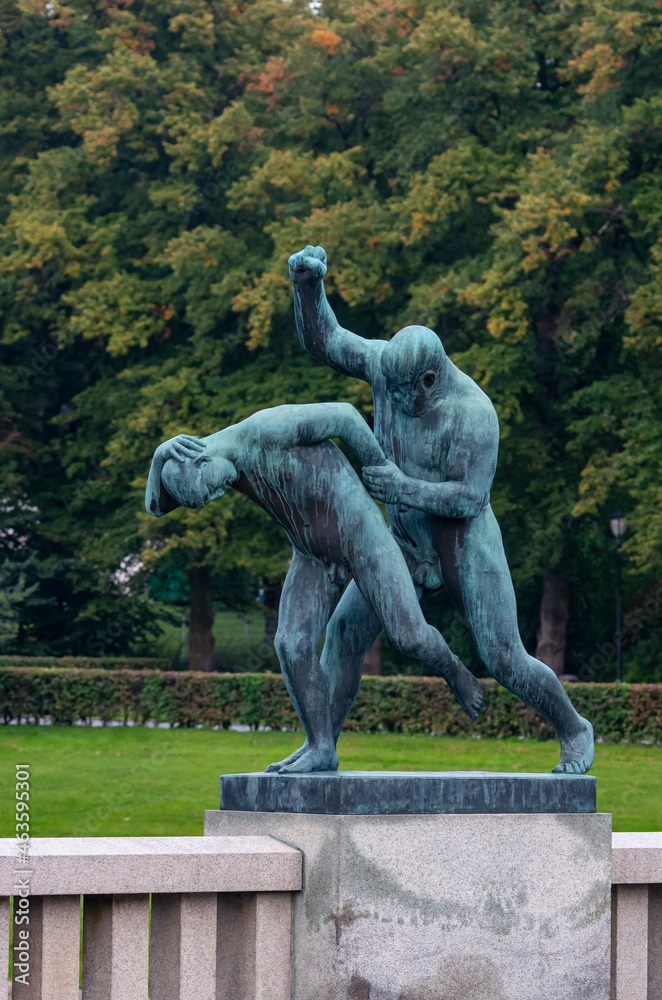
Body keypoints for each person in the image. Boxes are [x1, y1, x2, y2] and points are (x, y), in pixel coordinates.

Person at [284, 244, 594, 775]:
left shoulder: (473, 415)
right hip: (403, 542)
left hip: (463, 541)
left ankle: (574, 729)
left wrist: (402, 487)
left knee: (503, 657)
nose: (394, 400)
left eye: (406, 394)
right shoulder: (386, 367)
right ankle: (322, 746)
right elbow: (326, 341)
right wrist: (308, 287)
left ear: (431, 380)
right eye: (390, 390)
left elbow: (470, 499)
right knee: (343, 634)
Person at [145, 402, 484, 773]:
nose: (217, 496)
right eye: (207, 499)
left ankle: (454, 670)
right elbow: (156, 508)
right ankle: (321, 746)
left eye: (211, 489)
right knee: (291, 644)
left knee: (410, 637)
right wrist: (159, 456)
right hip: (311, 554)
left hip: (360, 536)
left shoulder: (269, 430)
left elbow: (346, 416)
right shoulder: (195, 460)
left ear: (204, 463)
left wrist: (384, 478)